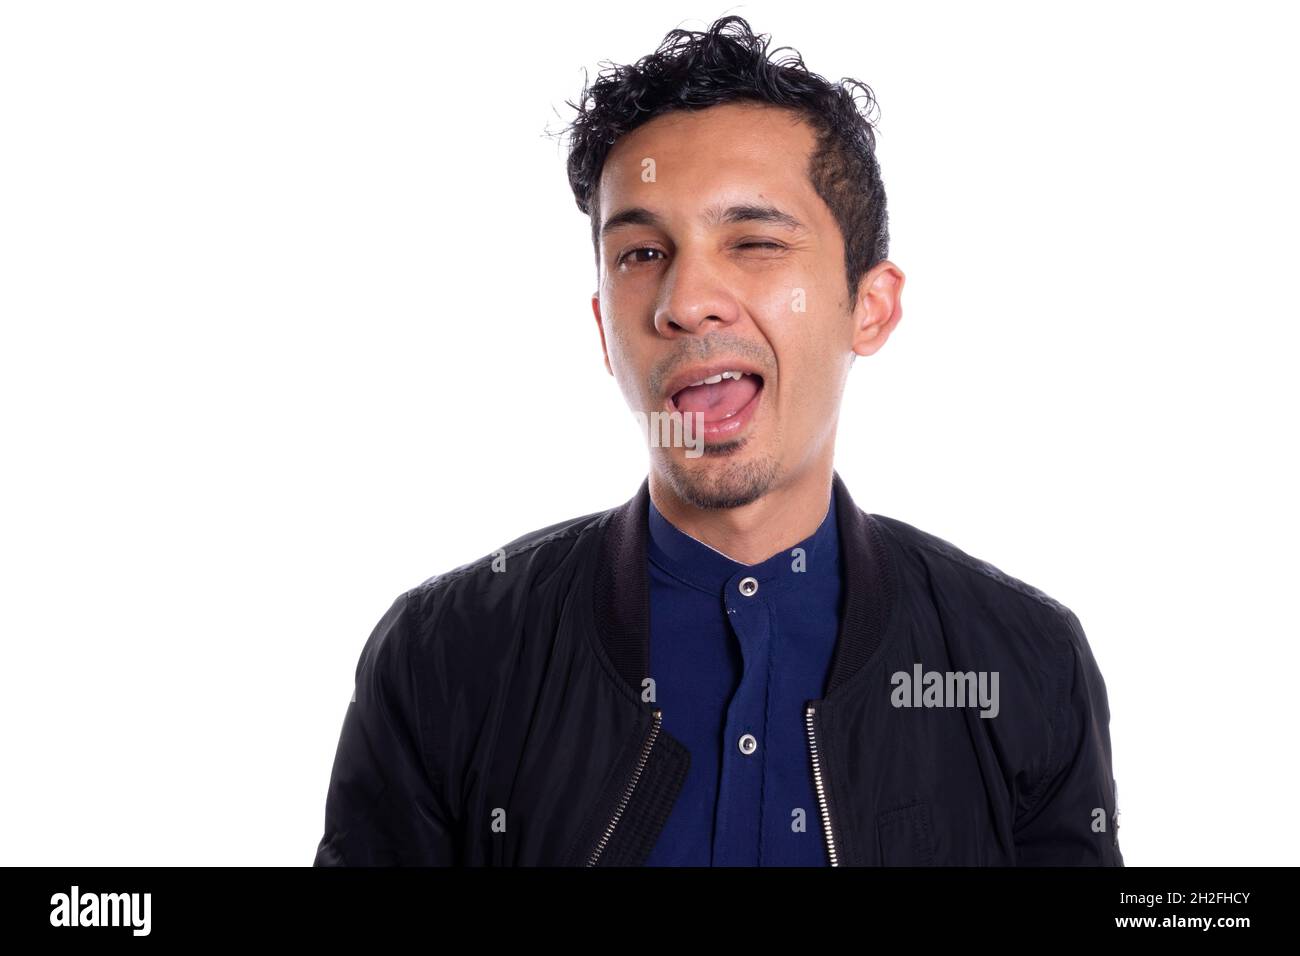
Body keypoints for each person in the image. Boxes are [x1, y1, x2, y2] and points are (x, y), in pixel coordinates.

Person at [312, 15, 1122, 867]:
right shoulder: (445, 657)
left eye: (756, 243)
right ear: (603, 327)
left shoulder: (1024, 663)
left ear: (871, 306)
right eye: (642, 253)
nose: (686, 299)